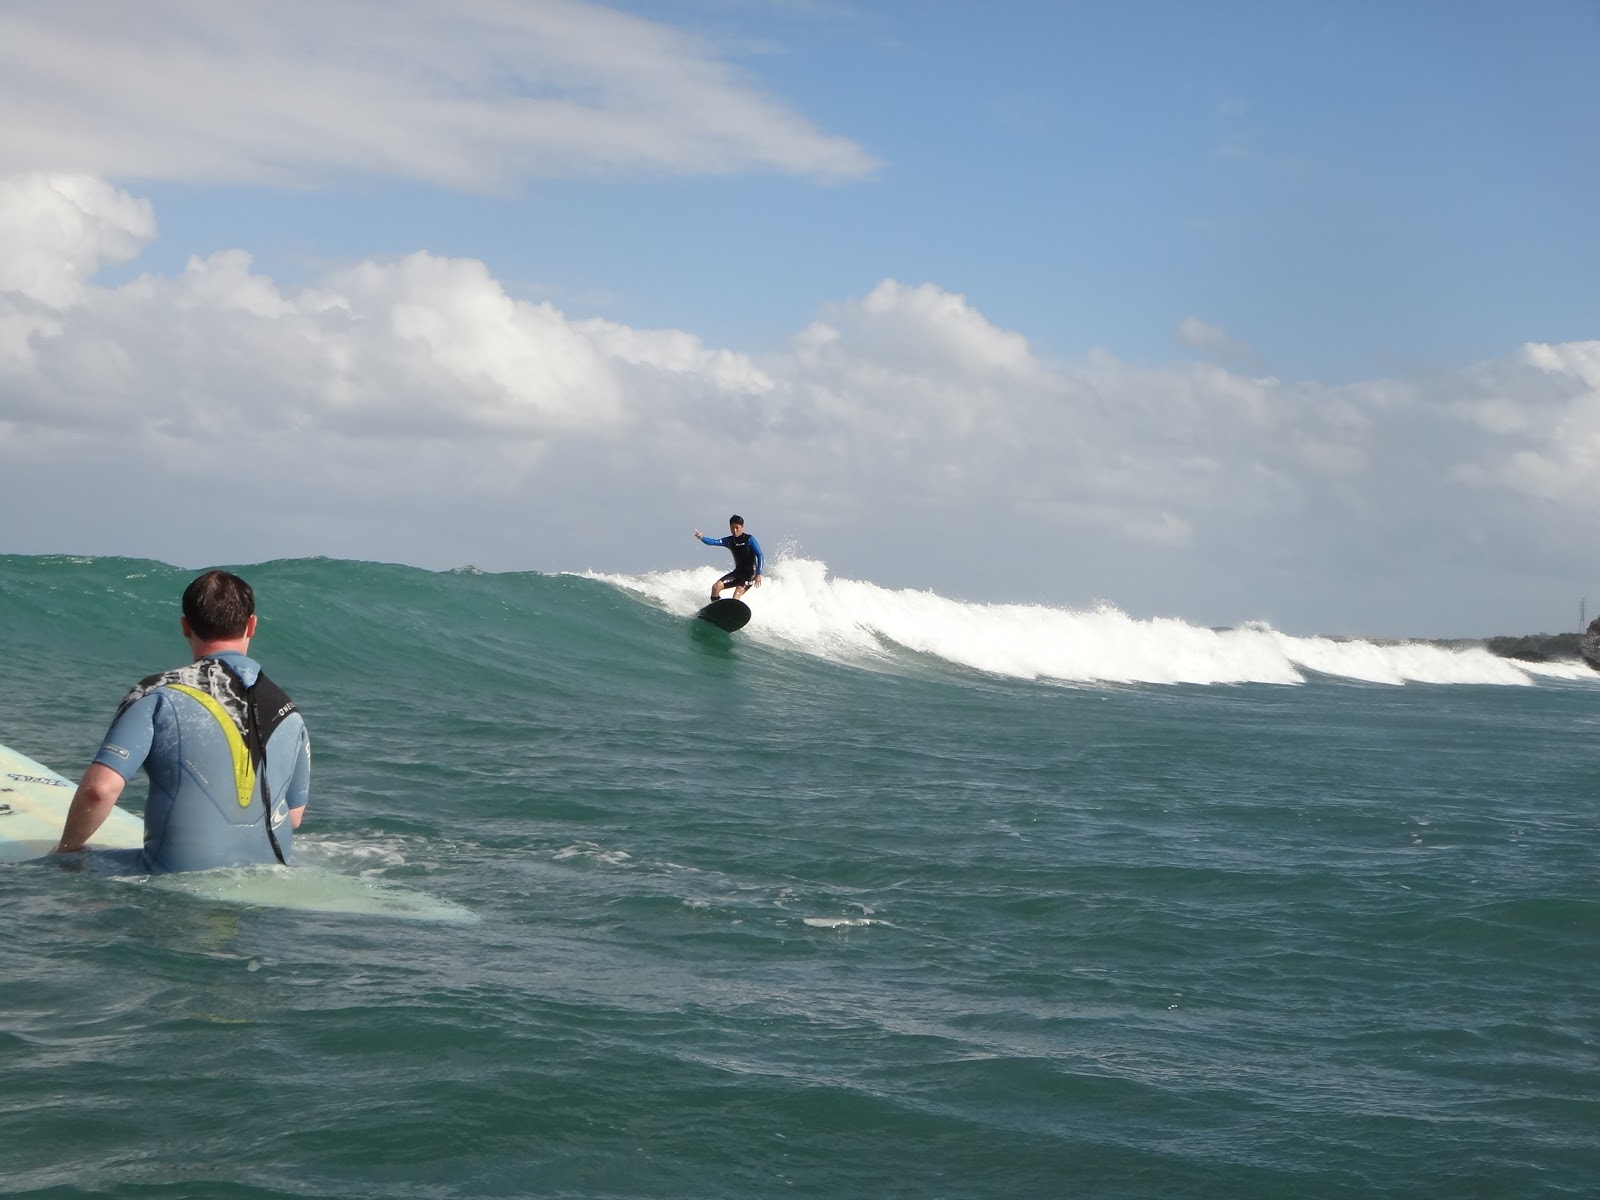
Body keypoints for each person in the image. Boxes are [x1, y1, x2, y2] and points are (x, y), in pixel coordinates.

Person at [53, 569, 311, 873]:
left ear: (185, 626)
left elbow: (99, 790)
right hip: (269, 877)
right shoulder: (290, 712)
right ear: (251, 625)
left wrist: (66, 850)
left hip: (173, 880)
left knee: (48, 867)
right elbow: (292, 817)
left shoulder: (157, 694)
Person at [694, 514, 764, 601]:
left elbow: (760, 555)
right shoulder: (729, 541)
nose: (734, 530)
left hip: (750, 575)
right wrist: (702, 538)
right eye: (732, 528)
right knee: (716, 587)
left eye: (737, 527)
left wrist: (759, 574)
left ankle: (734, 611)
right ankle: (716, 608)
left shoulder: (749, 539)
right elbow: (714, 542)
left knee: (736, 594)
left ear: (742, 527)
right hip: (737, 573)